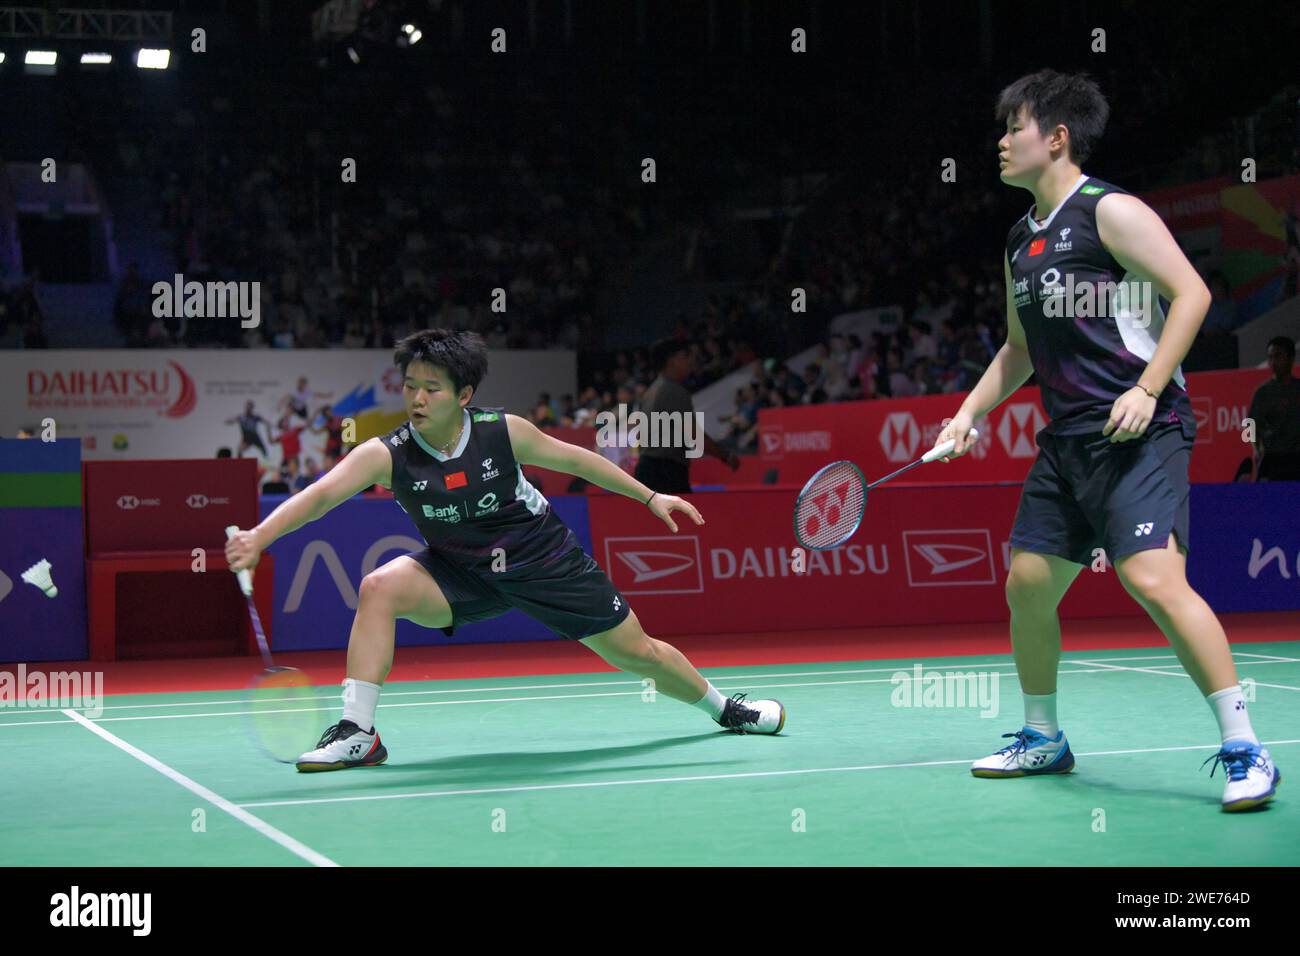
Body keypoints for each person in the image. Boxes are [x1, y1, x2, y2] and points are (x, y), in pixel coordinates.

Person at [936, 69, 1278, 811]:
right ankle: (1043, 738)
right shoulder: (1019, 240)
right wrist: (969, 414)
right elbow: (1018, 348)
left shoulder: (1110, 211)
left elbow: (1193, 293)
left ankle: (1245, 746)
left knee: (1152, 579)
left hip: (1141, 427)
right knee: (1026, 584)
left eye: (1013, 127)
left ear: (1056, 138)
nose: (999, 141)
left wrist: (1149, 386)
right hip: (1069, 438)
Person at [225, 329, 785, 772]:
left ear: (464, 396)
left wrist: (649, 495)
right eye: (410, 385)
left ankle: (726, 710)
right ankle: (358, 733)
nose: (417, 399)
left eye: (433, 388)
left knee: (638, 654)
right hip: (461, 571)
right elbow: (320, 496)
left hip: (544, 559)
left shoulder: (501, 431)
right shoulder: (387, 454)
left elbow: (574, 459)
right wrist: (258, 539)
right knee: (379, 588)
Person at [633, 338, 739, 494]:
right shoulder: (674, 391)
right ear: (673, 360)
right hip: (666, 473)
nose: (691, 361)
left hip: (647, 471)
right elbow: (694, 436)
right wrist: (726, 456)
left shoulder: (650, 392)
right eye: (686, 356)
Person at [1246, 336, 1300, 481]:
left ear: (1291, 358)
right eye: (1270, 358)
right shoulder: (1263, 392)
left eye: (1278, 357)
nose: (1273, 363)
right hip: (1273, 459)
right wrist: (1257, 450)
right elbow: (1250, 425)